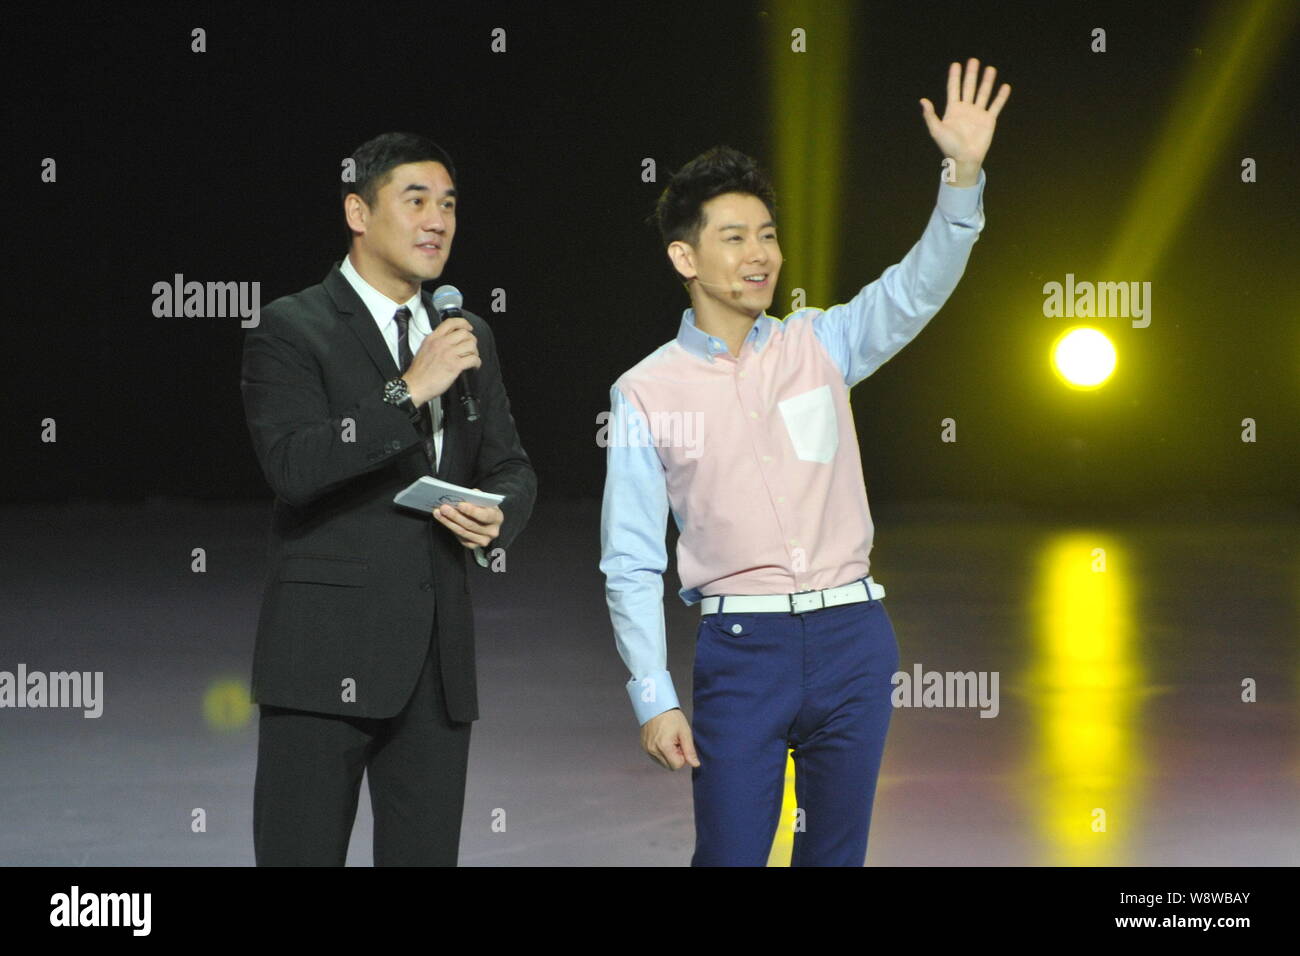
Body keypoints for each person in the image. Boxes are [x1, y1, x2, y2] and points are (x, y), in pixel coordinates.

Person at [600, 59, 1009, 865]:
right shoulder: (646, 389)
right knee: (731, 857)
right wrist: (653, 696)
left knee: (835, 857)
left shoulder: (822, 343)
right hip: (742, 649)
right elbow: (630, 558)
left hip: (855, 636)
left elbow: (919, 287)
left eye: (768, 236)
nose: (760, 255)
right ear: (685, 259)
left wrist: (961, 173)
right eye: (734, 238)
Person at [241, 131, 536, 865]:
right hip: (320, 661)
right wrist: (409, 389)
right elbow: (293, 467)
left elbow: (514, 468)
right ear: (358, 211)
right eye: (415, 201)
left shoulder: (467, 336)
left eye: (449, 205)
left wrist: (498, 514)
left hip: (437, 671)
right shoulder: (291, 326)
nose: (437, 220)